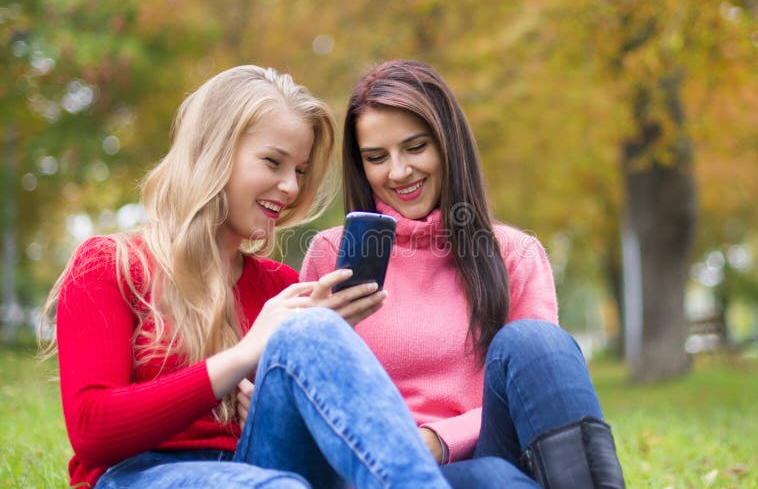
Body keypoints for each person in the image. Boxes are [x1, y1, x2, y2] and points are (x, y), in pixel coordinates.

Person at [38, 65, 451, 489]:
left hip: (255, 462)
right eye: (273, 162)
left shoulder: (280, 285)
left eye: (301, 170)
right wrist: (245, 355)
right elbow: (93, 431)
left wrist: (294, 384)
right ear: (213, 152)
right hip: (138, 473)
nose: (290, 187)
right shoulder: (110, 265)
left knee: (310, 337)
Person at [298, 60, 626, 488]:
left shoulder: (514, 253)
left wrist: (440, 438)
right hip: (382, 470)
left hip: (495, 450)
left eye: (415, 147)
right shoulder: (331, 257)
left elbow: (536, 392)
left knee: (535, 342)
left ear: (447, 142)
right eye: (377, 157)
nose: (398, 172)